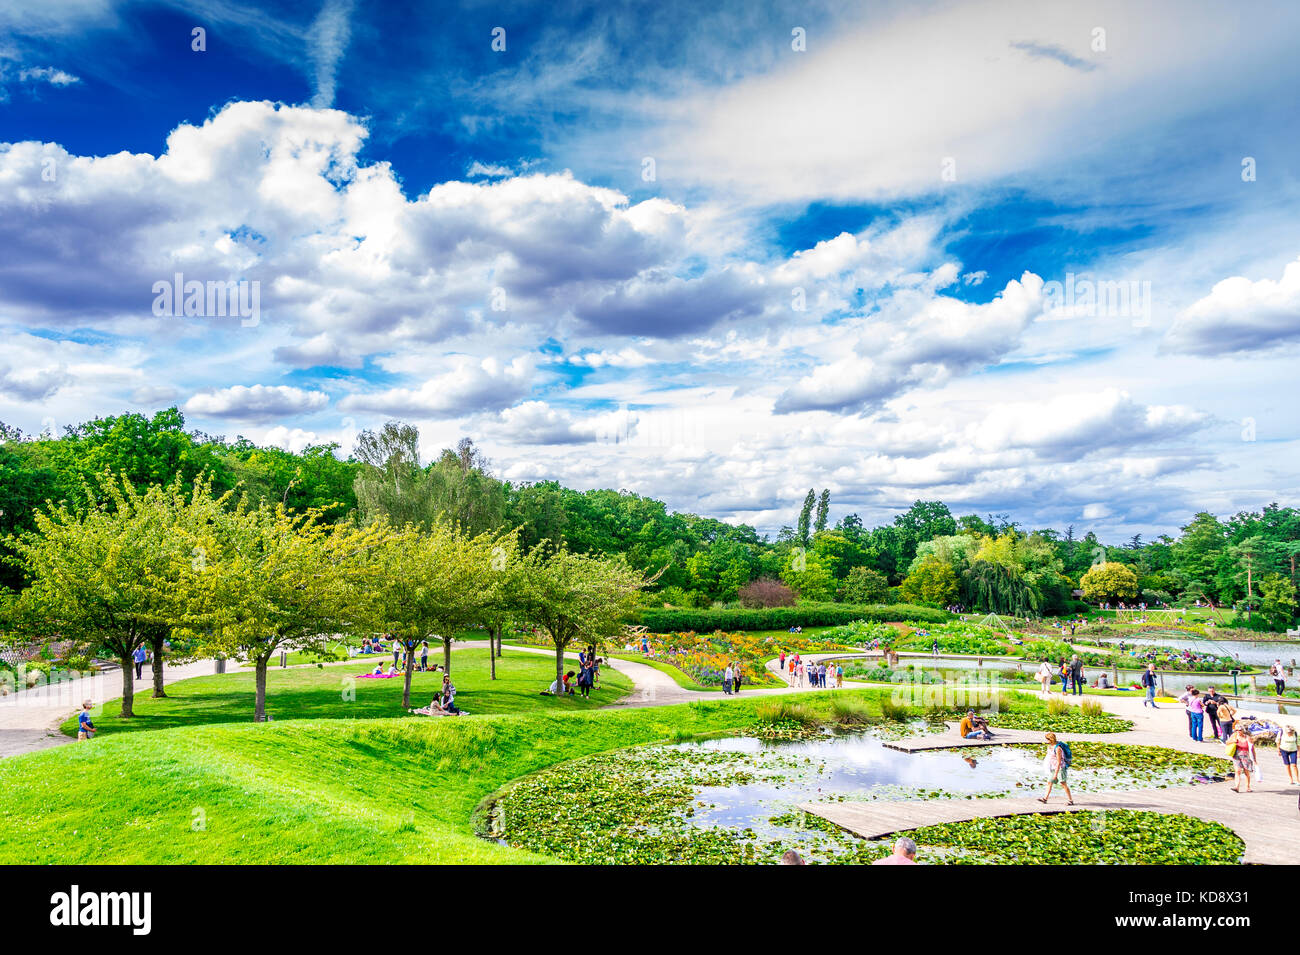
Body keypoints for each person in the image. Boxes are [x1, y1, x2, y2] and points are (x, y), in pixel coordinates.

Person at [1038, 733, 1074, 805]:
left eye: (1048, 739)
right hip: (1053, 768)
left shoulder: (1058, 749)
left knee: (1063, 783)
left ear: (1051, 739)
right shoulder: (1050, 747)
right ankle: (1045, 799)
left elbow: (1059, 762)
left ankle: (1070, 800)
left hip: (1060, 768)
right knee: (1049, 782)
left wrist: (1056, 774)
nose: (1046, 741)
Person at [1227, 726, 1256, 793]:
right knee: (1237, 771)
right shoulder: (1234, 736)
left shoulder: (1247, 738)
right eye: (1236, 730)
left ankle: (1248, 787)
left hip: (1246, 756)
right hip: (1236, 756)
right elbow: (1227, 742)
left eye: (1239, 730)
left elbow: (1252, 749)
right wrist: (1233, 741)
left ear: (1243, 731)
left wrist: (1255, 759)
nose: (1238, 731)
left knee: (1246, 772)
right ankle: (1237, 787)